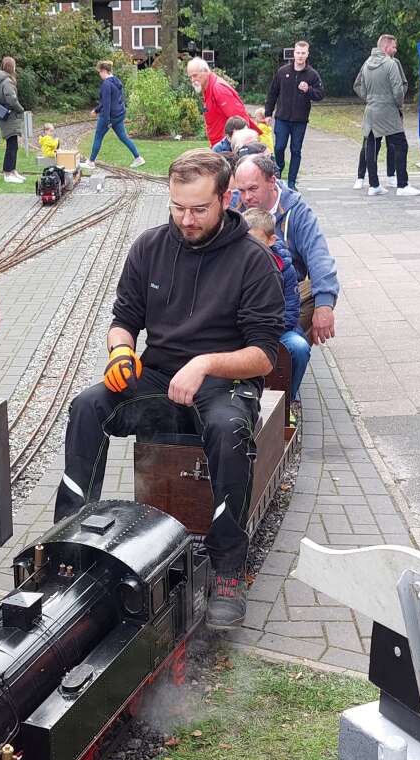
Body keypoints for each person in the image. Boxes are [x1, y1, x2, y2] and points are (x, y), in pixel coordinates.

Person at [53, 149, 283, 629]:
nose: (186, 219)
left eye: (199, 209)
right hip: (158, 379)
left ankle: (226, 567)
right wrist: (119, 352)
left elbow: (264, 354)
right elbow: (124, 321)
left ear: (225, 198)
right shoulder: (150, 247)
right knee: (88, 406)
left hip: (227, 382)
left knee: (229, 430)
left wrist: (205, 363)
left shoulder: (252, 261)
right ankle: (71, 540)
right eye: (177, 207)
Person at [234, 153, 339, 345]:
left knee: (320, 294)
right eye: (241, 190)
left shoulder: (298, 212)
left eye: (253, 189)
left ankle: (289, 349)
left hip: (286, 291)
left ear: (272, 181)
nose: (246, 197)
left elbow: (319, 256)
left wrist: (324, 305)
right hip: (241, 292)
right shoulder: (233, 206)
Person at [242, 207, 309, 423]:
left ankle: (289, 399)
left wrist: (268, 331)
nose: (251, 248)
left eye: (257, 241)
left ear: (271, 240)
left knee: (298, 347)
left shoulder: (285, 268)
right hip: (243, 331)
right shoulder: (237, 263)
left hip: (278, 330)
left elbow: (291, 310)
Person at [354, 34, 418, 197]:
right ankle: (402, 185)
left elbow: (358, 85)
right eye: (394, 47)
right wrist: (398, 105)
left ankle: (373, 185)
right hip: (388, 110)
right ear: (386, 47)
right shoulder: (391, 64)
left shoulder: (367, 63)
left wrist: (368, 98)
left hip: (371, 111)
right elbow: (398, 90)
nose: (395, 50)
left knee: (371, 147)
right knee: (401, 145)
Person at [264, 40, 323, 189]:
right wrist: (268, 113)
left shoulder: (312, 74)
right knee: (279, 147)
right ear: (293, 53)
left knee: (296, 150)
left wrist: (308, 89)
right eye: (298, 53)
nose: (300, 56)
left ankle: (291, 182)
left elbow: (320, 94)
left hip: (300, 120)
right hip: (282, 118)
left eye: (303, 53)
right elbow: (273, 93)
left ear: (307, 54)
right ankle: (279, 171)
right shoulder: (283, 72)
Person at [83, 60, 144, 169]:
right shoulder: (116, 80)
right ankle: (138, 158)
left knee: (98, 136)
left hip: (110, 116)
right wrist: (96, 110)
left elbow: (107, 104)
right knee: (123, 137)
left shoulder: (106, 84)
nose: (99, 74)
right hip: (119, 114)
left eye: (100, 72)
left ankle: (91, 162)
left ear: (104, 71)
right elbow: (114, 100)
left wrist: (107, 121)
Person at [188, 57, 259, 148]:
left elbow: (240, 119)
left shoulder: (218, 89)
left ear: (206, 71)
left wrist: (241, 147)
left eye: (195, 75)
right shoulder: (207, 88)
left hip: (227, 147)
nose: (193, 80)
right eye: (190, 77)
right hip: (220, 145)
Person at [0, 56, 25, 183]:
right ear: (11, 67)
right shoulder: (7, 82)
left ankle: (13, 170)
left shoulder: (1, 80)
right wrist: (21, 108)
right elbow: (11, 99)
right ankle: (7, 172)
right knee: (11, 146)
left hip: (7, 116)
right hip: (10, 116)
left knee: (14, 145)